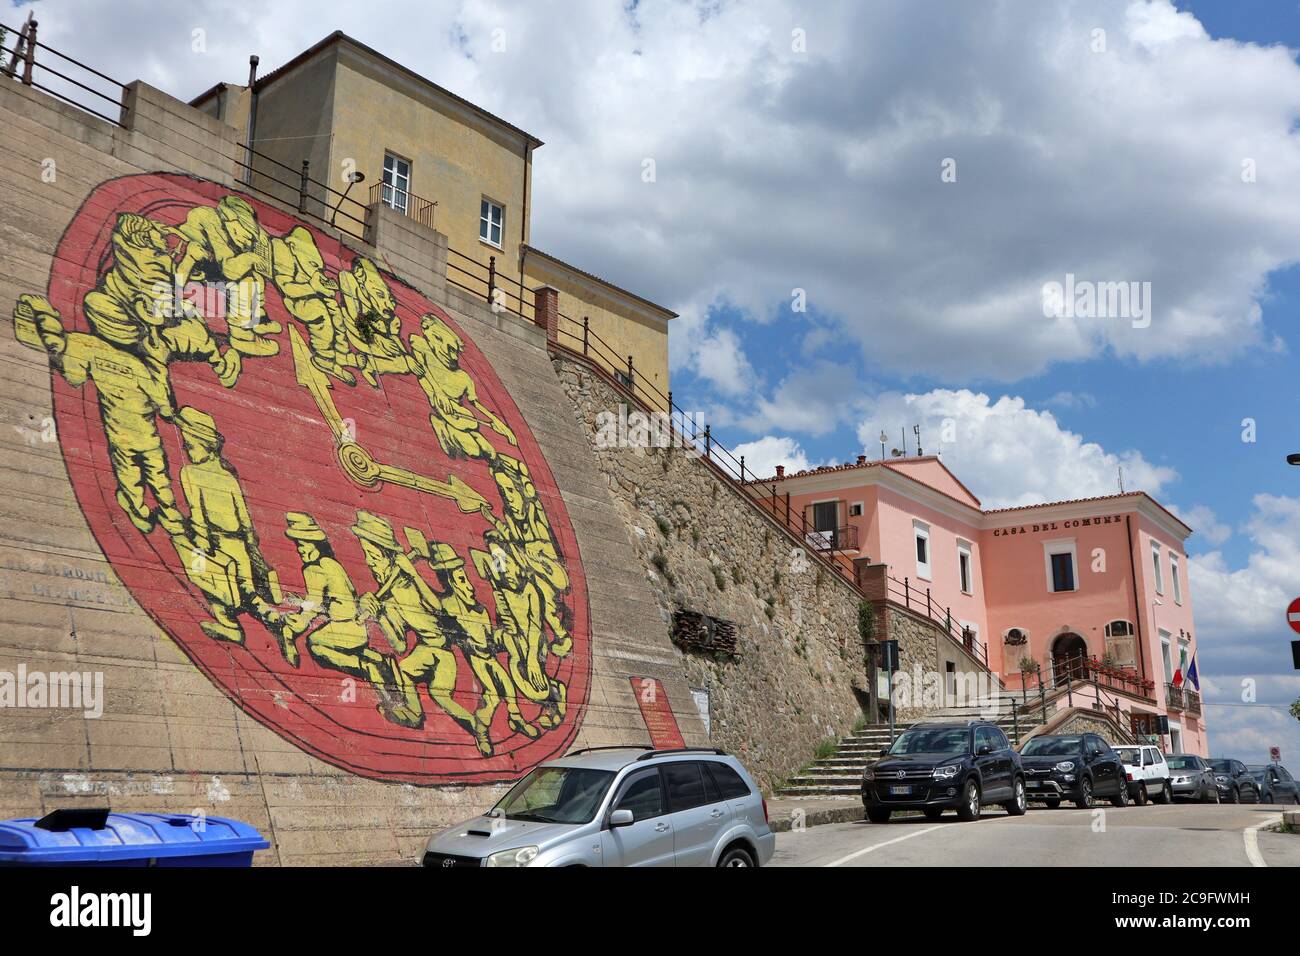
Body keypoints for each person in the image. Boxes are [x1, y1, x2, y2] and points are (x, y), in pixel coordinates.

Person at [12, 294, 184, 536]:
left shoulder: (92, 350)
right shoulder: (132, 361)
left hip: (129, 434)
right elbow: (163, 404)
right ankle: (159, 511)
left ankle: (149, 509)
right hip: (135, 434)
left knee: (139, 474)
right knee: (148, 474)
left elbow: (73, 373)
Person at [351, 511, 490, 751]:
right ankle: (420, 715)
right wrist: (379, 614)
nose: (369, 562)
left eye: (373, 555)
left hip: (442, 651)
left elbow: (436, 607)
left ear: (390, 557)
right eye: (366, 555)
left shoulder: (410, 584)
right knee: (409, 676)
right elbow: (400, 645)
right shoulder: (390, 600)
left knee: (440, 696)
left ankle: (478, 730)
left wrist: (413, 573)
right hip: (425, 648)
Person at [273, 513, 405, 716]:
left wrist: (294, 626)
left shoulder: (313, 569)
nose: (301, 551)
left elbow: (314, 606)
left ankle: (367, 666)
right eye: (298, 545)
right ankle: (378, 661)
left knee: (315, 644)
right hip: (357, 628)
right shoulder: (330, 563)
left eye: (303, 545)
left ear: (315, 543)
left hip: (344, 627)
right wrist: (300, 602)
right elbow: (328, 600)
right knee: (352, 648)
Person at [175, 407, 280, 643]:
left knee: (213, 585)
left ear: (206, 444)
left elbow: (198, 513)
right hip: (240, 545)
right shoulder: (228, 476)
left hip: (217, 542)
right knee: (248, 593)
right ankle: (274, 619)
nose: (185, 449)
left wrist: (201, 548)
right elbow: (244, 518)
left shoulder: (190, 473)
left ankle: (229, 626)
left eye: (190, 445)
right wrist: (251, 547)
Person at [429, 541, 537, 739]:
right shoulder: (447, 606)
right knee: (493, 695)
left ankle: (516, 719)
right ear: (451, 582)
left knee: (509, 688)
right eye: (461, 579)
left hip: (488, 655)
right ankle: (481, 730)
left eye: (466, 578)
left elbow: (491, 638)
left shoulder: (480, 610)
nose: (469, 586)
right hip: (477, 658)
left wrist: (503, 635)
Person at [175, 196, 280, 357]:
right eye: (248, 236)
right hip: (184, 277)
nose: (247, 242)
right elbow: (229, 269)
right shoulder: (212, 222)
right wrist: (250, 258)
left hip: (201, 273)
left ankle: (257, 320)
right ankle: (242, 337)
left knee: (254, 278)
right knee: (247, 280)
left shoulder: (224, 227)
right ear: (233, 220)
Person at [270, 226, 374, 386]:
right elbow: (286, 287)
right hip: (296, 299)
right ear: (293, 246)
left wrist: (327, 287)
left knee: (334, 309)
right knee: (320, 313)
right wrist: (313, 286)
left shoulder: (308, 258)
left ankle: (341, 355)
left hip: (310, 294)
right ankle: (324, 358)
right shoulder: (283, 252)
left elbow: (319, 280)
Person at [408, 312, 516, 460]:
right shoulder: (421, 346)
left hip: (460, 415)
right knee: (473, 451)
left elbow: (475, 403)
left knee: (489, 452)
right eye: (448, 348)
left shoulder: (464, 377)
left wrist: (499, 424)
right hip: (444, 410)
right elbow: (424, 371)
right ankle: (441, 427)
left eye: (454, 351)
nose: (452, 356)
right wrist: (439, 392)